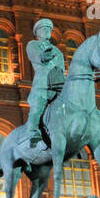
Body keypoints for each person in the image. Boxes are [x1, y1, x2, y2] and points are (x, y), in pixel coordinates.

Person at [25, 18, 65, 146]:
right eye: (44, 28)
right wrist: (43, 57)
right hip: (42, 84)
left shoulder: (58, 52)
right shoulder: (33, 45)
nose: (47, 30)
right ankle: (32, 132)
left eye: (49, 28)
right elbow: (36, 56)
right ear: (38, 33)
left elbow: (61, 69)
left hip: (58, 85)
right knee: (38, 106)